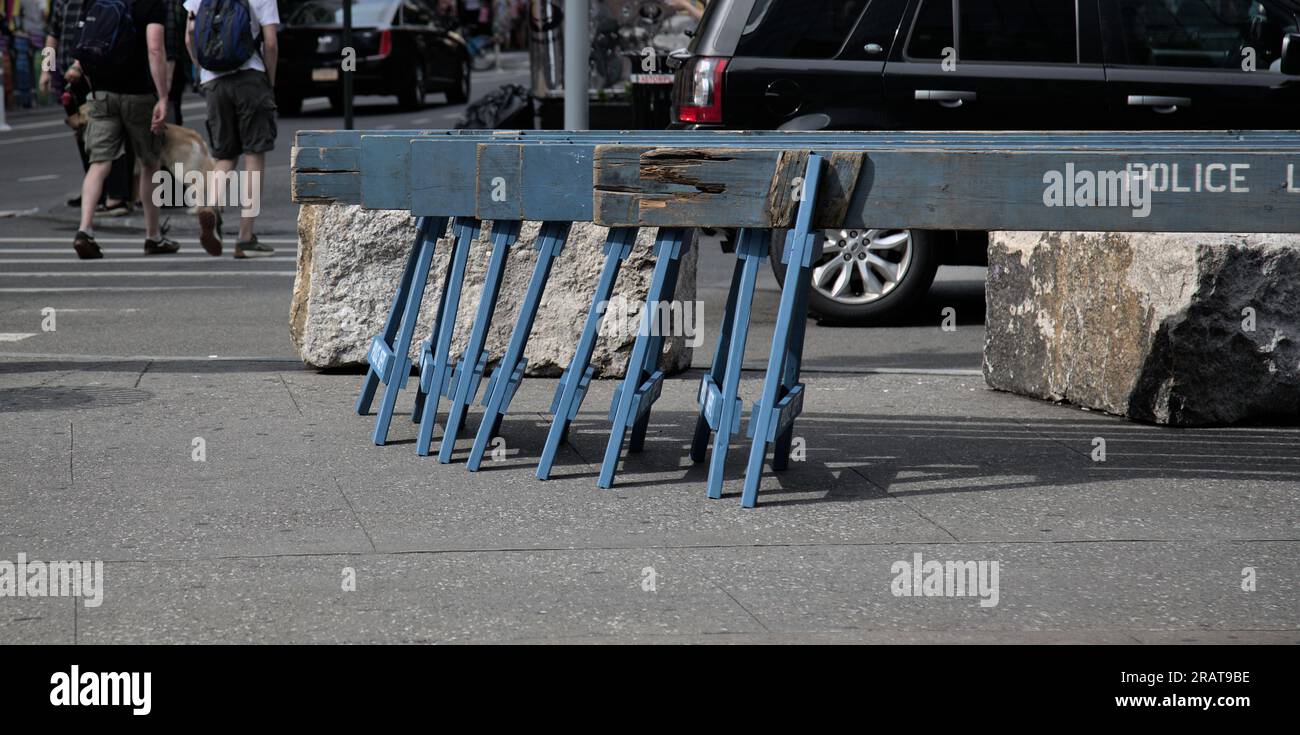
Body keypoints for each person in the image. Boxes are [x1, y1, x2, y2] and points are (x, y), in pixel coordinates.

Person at [70, 0, 175, 259]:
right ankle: (153, 236)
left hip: (101, 93)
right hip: (139, 94)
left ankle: (85, 229)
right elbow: (155, 48)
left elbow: (82, 44)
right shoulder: (151, 4)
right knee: (150, 163)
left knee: (99, 162)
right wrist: (163, 96)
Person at [183, 0, 279, 258]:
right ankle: (245, 238)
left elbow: (189, 36)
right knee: (254, 156)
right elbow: (270, 42)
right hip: (250, 78)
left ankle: (211, 207)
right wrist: (269, 82)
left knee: (224, 156)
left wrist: (203, 70)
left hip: (213, 82)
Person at [40, 0, 135, 216]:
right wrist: (47, 71)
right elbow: (52, 36)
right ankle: (95, 191)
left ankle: (117, 194)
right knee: (82, 135)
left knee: (107, 132)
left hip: (93, 73)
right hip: (68, 77)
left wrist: (78, 65)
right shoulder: (61, 3)